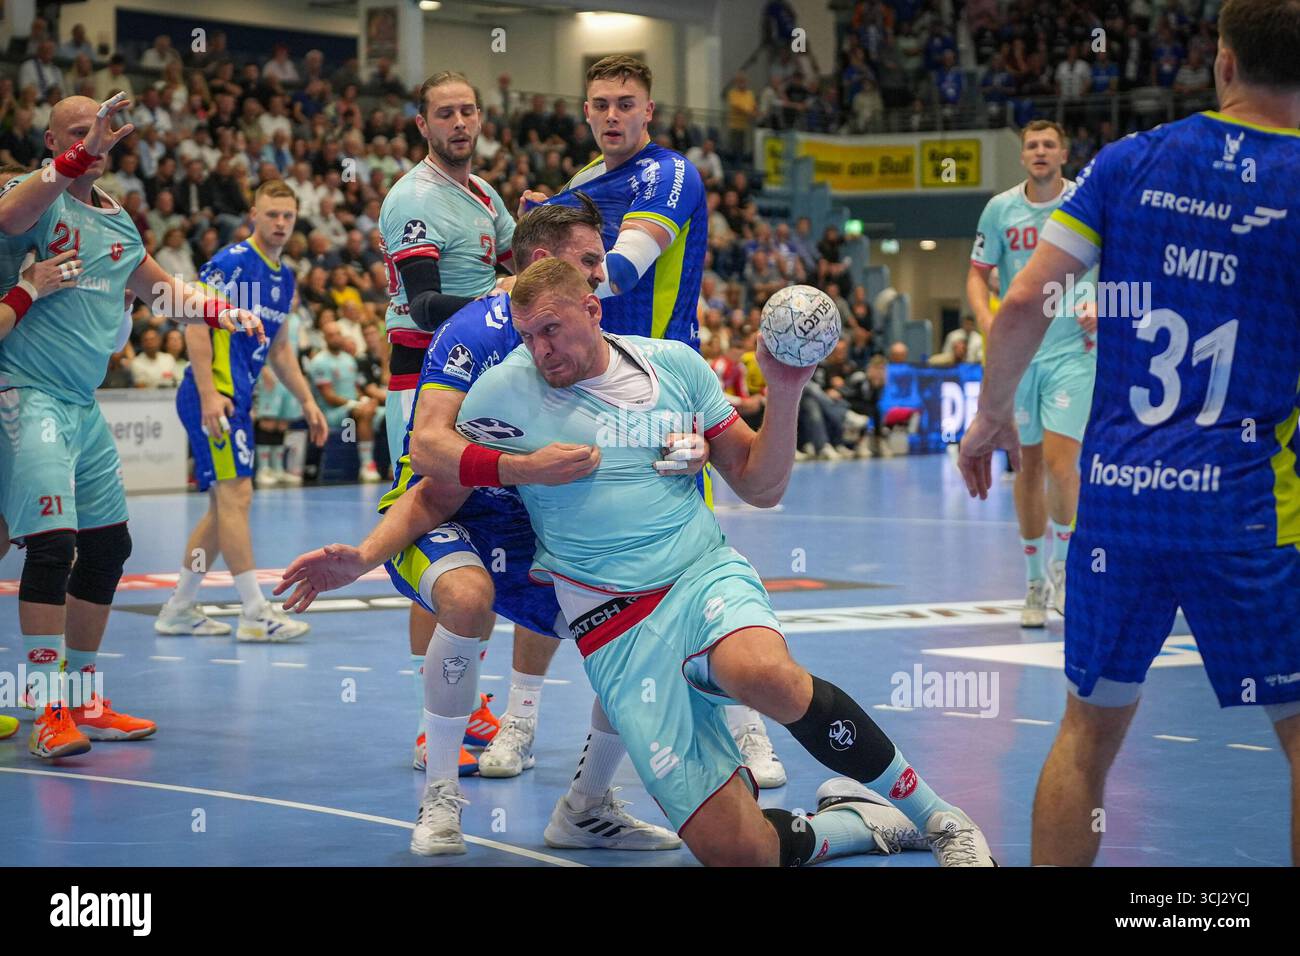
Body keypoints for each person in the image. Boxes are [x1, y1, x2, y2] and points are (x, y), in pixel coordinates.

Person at [428, 258, 994, 866]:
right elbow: (433, 472)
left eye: (551, 329)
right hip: (612, 626)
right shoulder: (502, 394)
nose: (540, 349)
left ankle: (939, 818)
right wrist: (367, 552)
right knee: (737, 852)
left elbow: (761, 486)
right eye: (527, 336)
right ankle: (858, 824)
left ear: (592, 310)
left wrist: (785, 390)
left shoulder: (674, 364)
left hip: (698, 576)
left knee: (762, 672)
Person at [958, 0, 1300, 866]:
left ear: (1223, 64)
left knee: (1085, 735)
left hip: (1125, 502)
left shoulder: (1129, 161)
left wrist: (989, 416)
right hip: (1252, 506)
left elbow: (1023, 303)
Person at [278, 201, 684, 856]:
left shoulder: (597, 337)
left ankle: (587, 807)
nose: (600, 275)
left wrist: (677, 455)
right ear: (544, 265)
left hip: (526, 529)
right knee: (469, 599)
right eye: (587, 262)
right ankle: (439, 800)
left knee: (641, 629)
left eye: (600, 263)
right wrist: (361, 557)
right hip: (445, 513)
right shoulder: (479, 334)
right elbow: (434, 463)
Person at [531, 56, 786, 781]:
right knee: (564, 560)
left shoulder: (668, 176)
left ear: (650, 112)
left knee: (693, 564)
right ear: (585, 112)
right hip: (586, 392)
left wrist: (535, 255)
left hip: (670, 390)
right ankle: (523, 720)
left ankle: (746, 728)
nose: (613, 115)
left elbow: (616, 273)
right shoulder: (577, 187)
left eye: (626, 103)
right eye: (601, 104)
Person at [0, 93, 265, 759]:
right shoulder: (34, 196)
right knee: (51, 546)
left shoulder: (118, 226)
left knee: (110, 546)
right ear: (53, 139)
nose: (95, 140)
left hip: (83, 406)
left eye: (100, 130)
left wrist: (222, 312)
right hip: (26, 396)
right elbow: (9, 216)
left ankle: (84, 694)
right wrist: (80, 154)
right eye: (77, 132)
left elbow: (162, 292)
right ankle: (45, 706)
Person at [377, 71, 518, 742]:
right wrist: (508, 301)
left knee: (479, 545)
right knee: (432, 544)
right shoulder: (413, 197)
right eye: (445, 113)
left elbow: (526, 261)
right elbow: (428, 304)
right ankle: (434, 722)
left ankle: (466, 700)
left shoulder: (484, 194)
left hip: (478, 383)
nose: (459, 122)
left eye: (468, 110)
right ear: (423, 126)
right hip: (420, 386)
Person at [158, 180, 328, 641]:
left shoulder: (285, 276)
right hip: (211, 395)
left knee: (222, 507)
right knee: (237, 497)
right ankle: (255, 613)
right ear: (253, 214)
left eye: (287, 217)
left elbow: (281, 350)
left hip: (238, 399)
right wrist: (211, 394)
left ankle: (179, 608)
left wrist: (308, 400)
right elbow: (194, 317)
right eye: (271, 214)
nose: (280, 224)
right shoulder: (232, 262)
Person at [965, 119, 1097, 628]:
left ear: (1064, 152)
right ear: (1022, 156)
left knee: (1065, 464)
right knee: (1028, 467)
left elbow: (1119, 265)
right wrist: (988, 322)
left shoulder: (1084, 201)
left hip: (1072, 352)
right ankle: (1034, 582)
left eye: (1049, 144)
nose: (1040, 152)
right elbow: (977, 274)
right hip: (1020, 355)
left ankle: (1064, 568)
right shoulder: (1000, 209)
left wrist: (1101, 305)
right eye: (1031, 145)